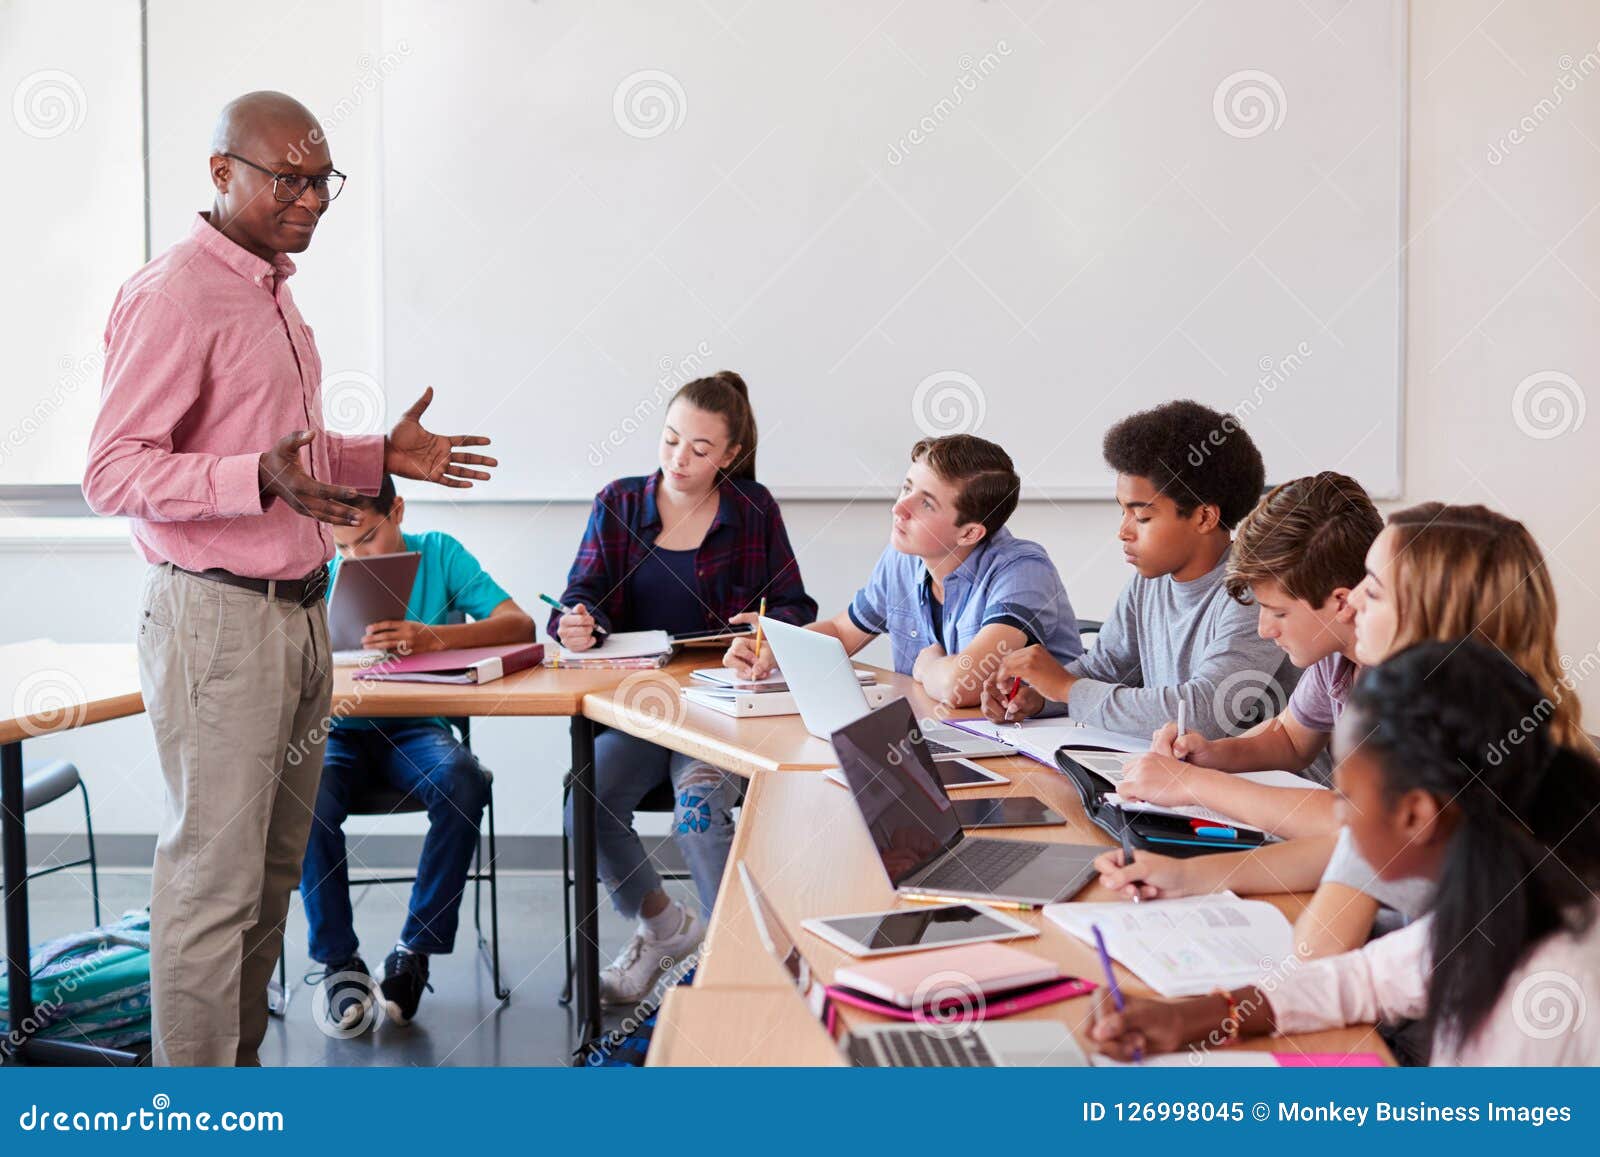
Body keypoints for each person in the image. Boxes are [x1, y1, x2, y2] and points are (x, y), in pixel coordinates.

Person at [82, 92, 496, 1066]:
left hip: (300, 616)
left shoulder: (271, 287)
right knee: (210, 885)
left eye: (322, 181)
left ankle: (240, 1087)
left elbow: (284, 456)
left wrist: (376, 456)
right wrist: (249, 477)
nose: (310, 199)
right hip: (217, 617)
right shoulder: (172, 292)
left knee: (269, 878)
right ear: (222, 172)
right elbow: (112, 471)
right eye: (289, 179)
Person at [1094, 502, 1594, 959]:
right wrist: (1188, 876)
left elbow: (1327, 924)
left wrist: (1192, 793)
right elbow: (1353, 852)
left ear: (1427, 620)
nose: (1349, 603)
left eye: (1371, 589)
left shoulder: (1449, 746)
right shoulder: (1448, 715)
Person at [1090, 639, 1600, 1066]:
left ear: (1417, 817)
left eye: (1348, 798)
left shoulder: (1550, 995)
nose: (1338, 818)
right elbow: (1364, 979)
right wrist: (1186, 1017)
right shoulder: (1500, 892)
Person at [554, 372, 815, 1005]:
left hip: (720, 709)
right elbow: (578, 598)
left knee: (698, 815)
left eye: (700, 450)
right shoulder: (618, 503)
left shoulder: (752, 509)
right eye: (670, 440)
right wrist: (578, 624)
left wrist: (762, 637)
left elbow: (795, 609)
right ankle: (665, 929)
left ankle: (744, 962)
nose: (679, 459)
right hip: (644, 708)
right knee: (585, 801)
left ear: (729, 454)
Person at [301, 474, 536, 1028]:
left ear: (398, 510)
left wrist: (431, 637)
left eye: (367, 538)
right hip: (338, 730)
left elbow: (519, 624)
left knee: (464, 780)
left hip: (415, 729)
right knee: (304, 796)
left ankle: (414, 952)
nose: (355, 558)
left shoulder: (439, 554)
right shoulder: (316, 571)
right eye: (343, 548)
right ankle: (339, 963)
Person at [980, 400, 1295, 739]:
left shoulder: (1252, 594)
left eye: (1142, 517)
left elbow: (1204, 712)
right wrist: (1039, 697)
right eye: (1123, 512)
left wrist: (1068, 691)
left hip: (1259, 783)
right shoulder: (1150, 582)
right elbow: (1106, 669)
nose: (1123, 531)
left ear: (1204, 517)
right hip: (1174, 774)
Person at [1112, 472, 1383, 836]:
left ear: (1341, 602)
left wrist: (1193, 784)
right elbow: (1289, 739)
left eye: (1280, 612)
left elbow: (1363, 821)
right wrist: (1212, 756)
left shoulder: (1408, 675)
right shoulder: (1336, 656)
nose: (1264, 630)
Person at [724, 433, 1081, 706]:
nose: (900, 507)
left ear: (970, 532)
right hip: (939, 733)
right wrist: (779, 653)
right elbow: (843, 631)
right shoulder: (904, 558)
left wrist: (926, 668)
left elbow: (963, 685)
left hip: (1026, 757)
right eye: (907, 487)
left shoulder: (1023, 570)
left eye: (925, 503)